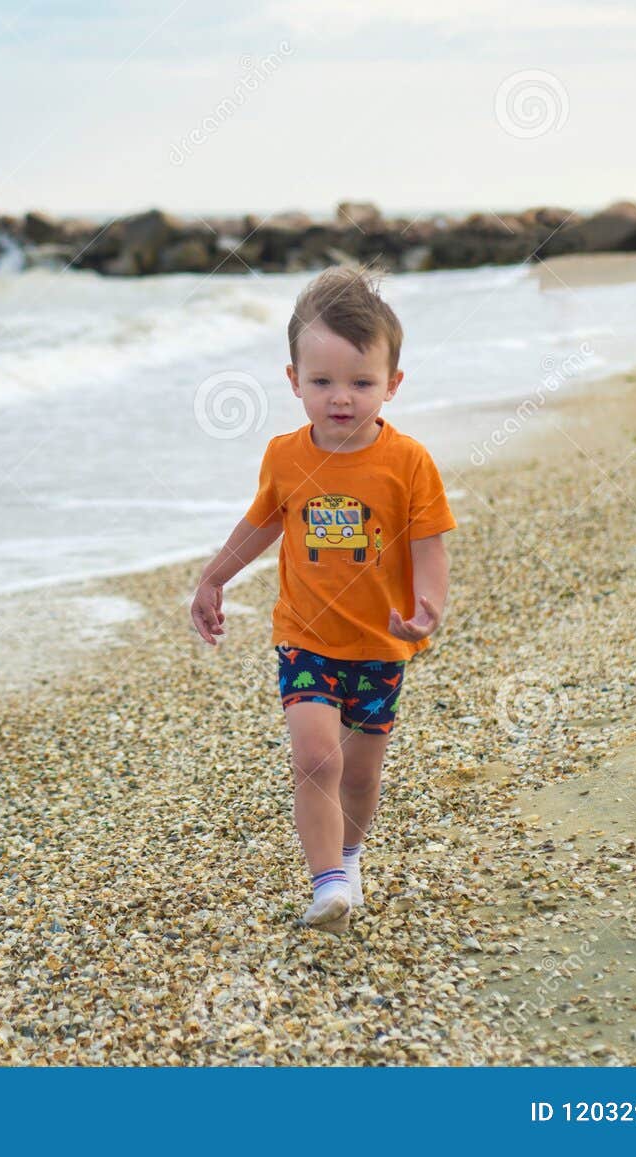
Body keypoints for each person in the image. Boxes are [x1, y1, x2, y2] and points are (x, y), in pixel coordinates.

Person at [189, 266, 457, 930]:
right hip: (305, 637)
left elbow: (430, 545)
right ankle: (328, 883)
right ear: (293, 381)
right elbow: (262, 522)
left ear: (393, 384)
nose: (342, 397)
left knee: (360, 778)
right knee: (316, 757)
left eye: (362, 383)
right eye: (323, 382)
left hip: (381, 644)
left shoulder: (409, 462)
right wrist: (215, 575)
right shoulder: (285, 456)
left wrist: (429, 605)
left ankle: (350, 852)